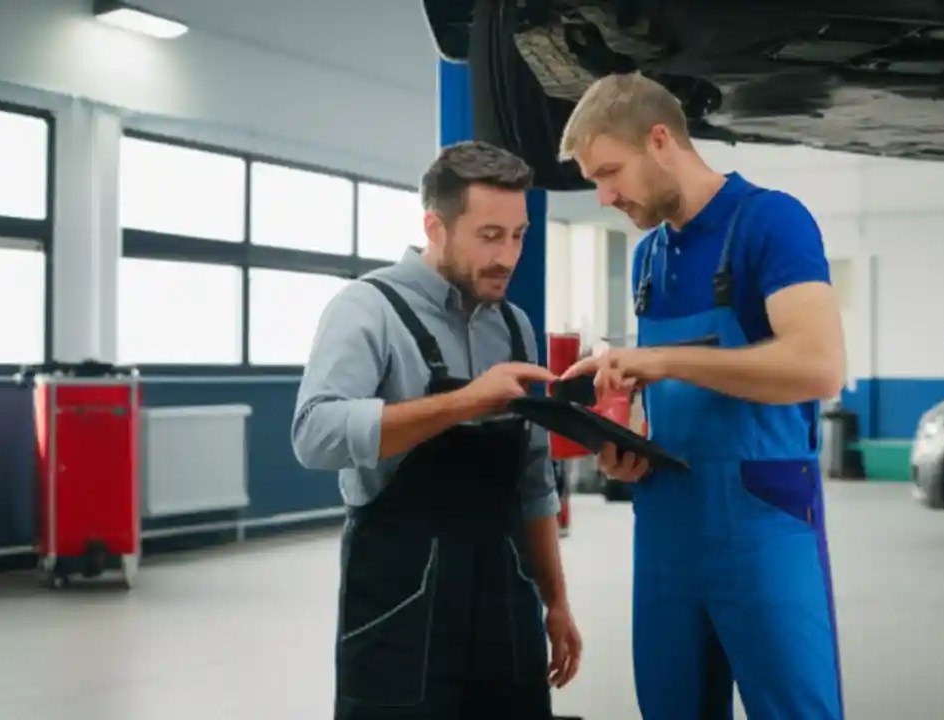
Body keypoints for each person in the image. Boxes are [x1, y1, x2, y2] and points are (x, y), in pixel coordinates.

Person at [558, 72, 849, 719]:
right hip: (666, 524)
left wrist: (661, 359)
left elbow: (820, 365)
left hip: (761, 521)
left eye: (610, 172)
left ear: (661, 140)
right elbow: (679, 399)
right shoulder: (648, 260)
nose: (604, 196)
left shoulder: (771, 222)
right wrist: (626, 447)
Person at [292, 141, 582, 720]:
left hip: (504, 601)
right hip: (402, 605)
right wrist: (463, 402)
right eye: (490, 235)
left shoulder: (516, 326)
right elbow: (314, 434)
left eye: (518, 235)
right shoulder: (367, 309)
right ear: (436, 226)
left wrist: (555, 601)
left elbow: (532, 483)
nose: (508, 256)